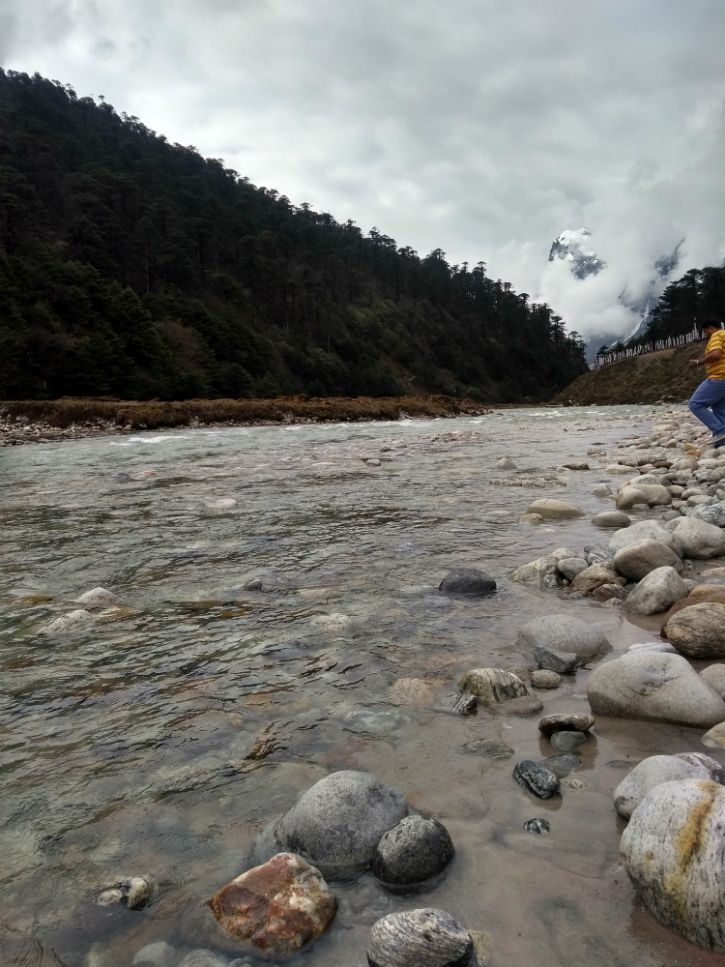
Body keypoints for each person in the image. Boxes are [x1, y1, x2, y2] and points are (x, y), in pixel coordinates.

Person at [688, 318, 725, 448]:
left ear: (710, 328)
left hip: (719, 377)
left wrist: (699, 362)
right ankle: (721, 443)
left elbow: (716, 354)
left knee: (695, 404)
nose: (705, 334)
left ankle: (720, 431)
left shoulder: (717, 335)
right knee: (719, 408)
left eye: (705, 332)